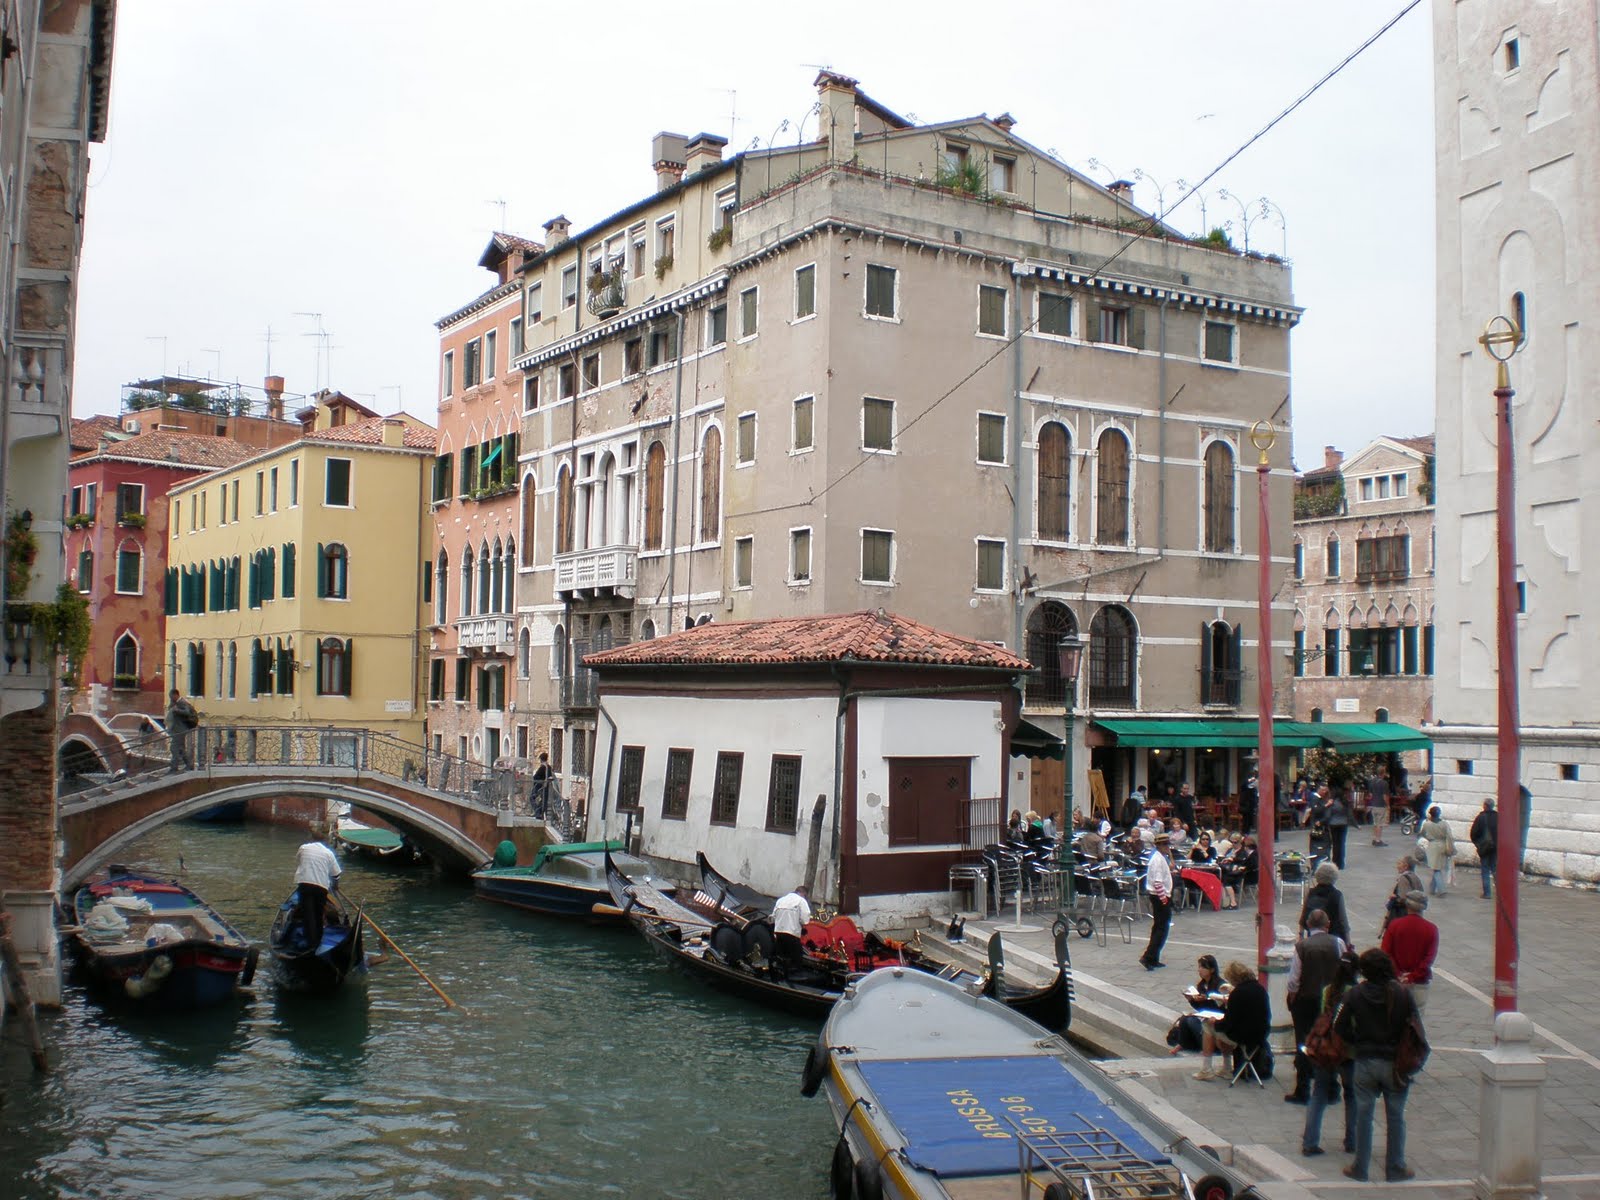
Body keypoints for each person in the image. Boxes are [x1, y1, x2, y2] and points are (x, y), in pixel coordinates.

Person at [1333, 948, 1419, 1183]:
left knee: (1363, 1115)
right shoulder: (1403, 994)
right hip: (1394, 1062)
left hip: (1365, 1060)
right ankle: (1395, 1167)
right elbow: (1415, 1027)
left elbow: (1338, 1026)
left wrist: (1357, 1040)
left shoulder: (1354, 994)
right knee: (1396, 1116)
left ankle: (1360, 1167)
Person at [1285, 909, 1348, 1103]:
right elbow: (1344, 968)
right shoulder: (1338, 943)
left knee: (1303, 1042)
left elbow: (1294, 979)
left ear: (1308, 926)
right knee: (1329, 1040)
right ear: (1327, 925)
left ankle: (1302, 1088)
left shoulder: (1302, 946)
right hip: (1330, 1000)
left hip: (1306, 999)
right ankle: (1332, 1088)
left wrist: (1291, 997)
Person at [1302, 950, 1359, 1158]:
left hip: (1326, 1048)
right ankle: (1351, 1140)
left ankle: (1310, 1141)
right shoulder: (1356, 992)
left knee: (1319, 1093)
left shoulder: (1328, 990)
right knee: (1352, 1095)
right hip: (1348, 1051)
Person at [1193, 961, 1271, 1081]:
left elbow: (1229, 1022)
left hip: (1244, 1036)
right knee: (1219, 1030)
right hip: (1261, 1033)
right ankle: (1226, 1068)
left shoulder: (1238, 993)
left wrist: (1214, 1022)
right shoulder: (1259, 988)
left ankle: (1207, 1069)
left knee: (1207, 1025)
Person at [1381, 891, 1439, 1013]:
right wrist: (1412, 976)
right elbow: (1429, 958)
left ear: (1407, 906)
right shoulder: (1431, 929)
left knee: (1394, 1013)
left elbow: (1385, 952)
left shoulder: (1395, 925)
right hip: (1420, 980)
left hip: (1396, 980)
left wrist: (1398, 973)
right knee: (1418, 1015)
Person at [293, 838, 342, 952]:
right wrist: (335, 886)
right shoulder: (329, 853)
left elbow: (300, 861)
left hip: (305, 884)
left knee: (308, 914)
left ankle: (311, 944)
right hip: (321, 887)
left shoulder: (304, 848)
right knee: (318, 914)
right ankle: (317, 942)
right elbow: (336, 875)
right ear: (325, 844)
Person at [1139, 831, 1174, 971]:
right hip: (1159, 896)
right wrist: (1164, 899)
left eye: (1167, 844)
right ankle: (1149, 956)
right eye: (1164, 845)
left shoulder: (1159, 857)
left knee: (1159, 926)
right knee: (1161, 928)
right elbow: (1158, 882)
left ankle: (1154, 958)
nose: (1167, 847)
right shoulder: (1158, 860)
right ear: (1159, 845)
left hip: (1158, 896)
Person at [1299, 862, 1350, 944]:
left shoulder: (1310, 893)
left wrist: (1301, 936)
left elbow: (1303, 915)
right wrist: (1348, 942)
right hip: (1333, 937)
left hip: (1313, 935)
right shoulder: (1337, 895)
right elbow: (1343, 921)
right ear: (1334, 877)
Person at [772, 885, 812, 966]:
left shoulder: (781, 900)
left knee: (780, 957)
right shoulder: (801, 901)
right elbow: (805, 920)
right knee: (795, 960)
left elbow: (773, 917)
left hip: (778, 933)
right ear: (804, 894)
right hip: (792, 933)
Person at [1383, 855, 1425, 931]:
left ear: (1406, 866)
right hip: (1416, 913)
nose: (1397, 866)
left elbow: (1403, 898)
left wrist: (1394, 897)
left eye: (1399, 864)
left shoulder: (1403, 878)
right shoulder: (1415, 877)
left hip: (1403, 913)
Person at [1420, 806, 1455, 896]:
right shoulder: (1444, 824)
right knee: (1437, 867)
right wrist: (1451, 847)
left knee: (1436, 869)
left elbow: (1422, 833)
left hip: (1433, 846)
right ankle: (1432, 888)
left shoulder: (1427, 824)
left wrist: (1429, 838)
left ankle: (1441, 889)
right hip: (1443, 845)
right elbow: (1449, 836)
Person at [1219, 834, 1257, 910]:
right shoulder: (1230, 850)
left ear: (1240, 842)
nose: (1233, 844)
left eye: (1235, 842)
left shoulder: (1243, 851)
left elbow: (1244, 862)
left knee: (1225, 879)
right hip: (1227, 869)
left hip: (1238, 873)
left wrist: (1233, 860)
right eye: (1231, 842)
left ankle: (1233, 902)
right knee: (1218, 875)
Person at [165, 689, 199, 774]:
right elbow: (170, 710)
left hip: (180, 730)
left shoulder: (182, 702)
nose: (171, 698)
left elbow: (187, 712)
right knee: (181, 748)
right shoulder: (175, 703)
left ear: (175, 695)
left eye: (171, 696)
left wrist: (177, 710)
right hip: (177, 729)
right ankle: (189, 764)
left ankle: (174, 767)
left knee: (174, 748)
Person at [1469, 798, 1498, 899]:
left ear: (1485, 805)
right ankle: (1499, 891)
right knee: (1495, 868)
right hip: (1495, 847)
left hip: (1484, 847)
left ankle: (1487, 893)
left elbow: (1473, 833)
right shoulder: (1498, 817)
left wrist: (1478, 844)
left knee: (1485, 869)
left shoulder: (1481, 817)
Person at [1323, 787, 1351, 869]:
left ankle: (1335, 861)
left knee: (1335, 844)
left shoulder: (1332, 803)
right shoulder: (1345, 803)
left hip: (1334, 824)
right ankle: (1341, 862)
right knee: (1342, 843)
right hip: (1343, 824)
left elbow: (1328, 814)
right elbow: (1349, 814)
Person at [1367, 771, 1390, 847]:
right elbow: (1384, 796)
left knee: (1375, 823)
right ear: (1383, 774)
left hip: (1373, 805)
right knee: (1380, 824)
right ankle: (1378, 840)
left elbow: (1370, 795)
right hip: (1381, 805)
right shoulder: (1384, 783)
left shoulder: (1371, 782)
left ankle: (1374, 838)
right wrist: (1388, 805)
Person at [528, 752, 554, 817]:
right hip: (546, 786)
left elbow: (536, 777)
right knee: (543, 800)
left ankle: (538, 812)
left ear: (541, 759)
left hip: (539, 786)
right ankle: (539, 812)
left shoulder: (542, 767)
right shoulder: (549, 767)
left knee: (532, 798)